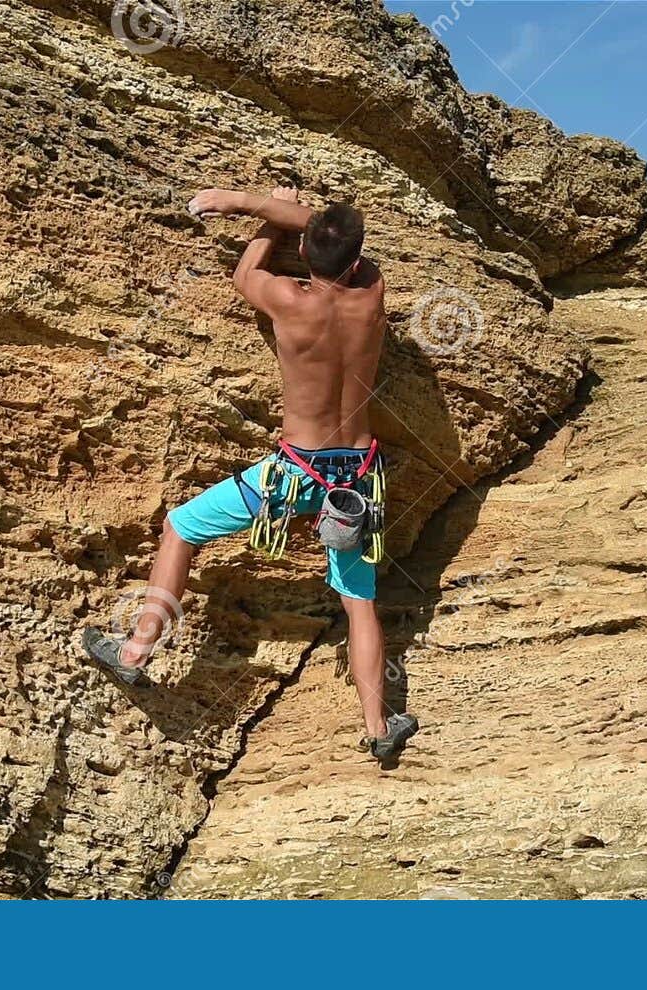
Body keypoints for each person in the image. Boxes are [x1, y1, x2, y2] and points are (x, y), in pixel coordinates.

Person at [83, 185, 419, 762]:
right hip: (359, 480)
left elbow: (246, 272)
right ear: (357, 259)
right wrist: (288, 216)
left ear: (306, 254)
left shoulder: (289, 299)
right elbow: (336, 237)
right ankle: (378, 724)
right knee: (358, 602)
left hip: (295, 474)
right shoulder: (371, 291)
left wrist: (256, 210)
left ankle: (136, 651)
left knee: (182, 528)